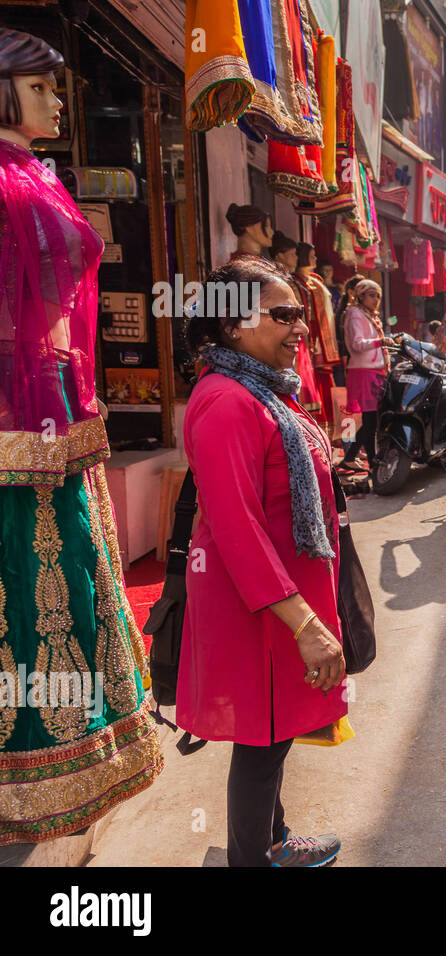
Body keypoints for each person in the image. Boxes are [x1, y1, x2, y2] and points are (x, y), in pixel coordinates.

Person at [0, 28, 163, 844]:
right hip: (17, 426)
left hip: (59, 416)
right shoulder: (6, 185)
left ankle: (74, 765)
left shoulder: (35, 177)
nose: (60, 101)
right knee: (27, 591)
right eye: (42, 87)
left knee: (61, 587)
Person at [180, 257, 348, 867]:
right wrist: (304, 625)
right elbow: (238, 528)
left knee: (269, 732)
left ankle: (273, 843)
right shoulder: (226, 401)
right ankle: (252, 859)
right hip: (260, 606)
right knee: (263, 741)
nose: (300, 327)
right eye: (283, 315)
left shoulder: (260, 391)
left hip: (275, 600)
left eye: (300, 314)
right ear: (232, 326)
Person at [268, 231, 323, 421]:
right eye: (292, 254)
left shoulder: (293, 282)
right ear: (279, 256)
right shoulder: (274, 283)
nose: (296, 258)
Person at [339, 279, 391, 472]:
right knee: (370, 421)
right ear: (360, 296)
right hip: (363, 372)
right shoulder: (355, 314)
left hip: (374, 371)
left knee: (372, 420)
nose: (376, 299)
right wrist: (380, 342)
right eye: (371, 295)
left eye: (378, 295)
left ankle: (370, 458)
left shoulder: (368, 315)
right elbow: (357, 344)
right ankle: (352, 456)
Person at [290, 242, 341, 430]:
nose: (315, 259)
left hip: (318, 338)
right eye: (311, 255)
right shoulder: (294, 282)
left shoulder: (314, 281)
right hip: (306, 338)